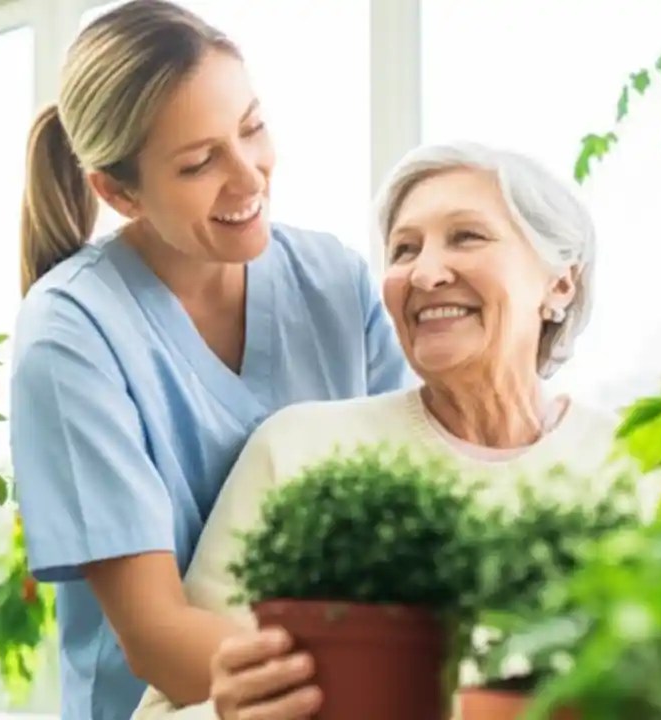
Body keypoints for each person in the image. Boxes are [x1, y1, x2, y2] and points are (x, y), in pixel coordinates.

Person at [8, 1, 412, 718]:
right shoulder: (71, 332)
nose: (249, 177)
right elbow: (156, 637)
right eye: (199, 163)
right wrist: (352, 689)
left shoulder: (335, 283)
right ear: (119, 192)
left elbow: (410, 520)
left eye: (251, 128)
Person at [130, 140, 621, 720]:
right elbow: (160, 713)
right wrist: (225, 714)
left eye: (467, 236)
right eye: (404, 249)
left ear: (560, 284)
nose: (425, 273)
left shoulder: (638, 465)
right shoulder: (301, 452)